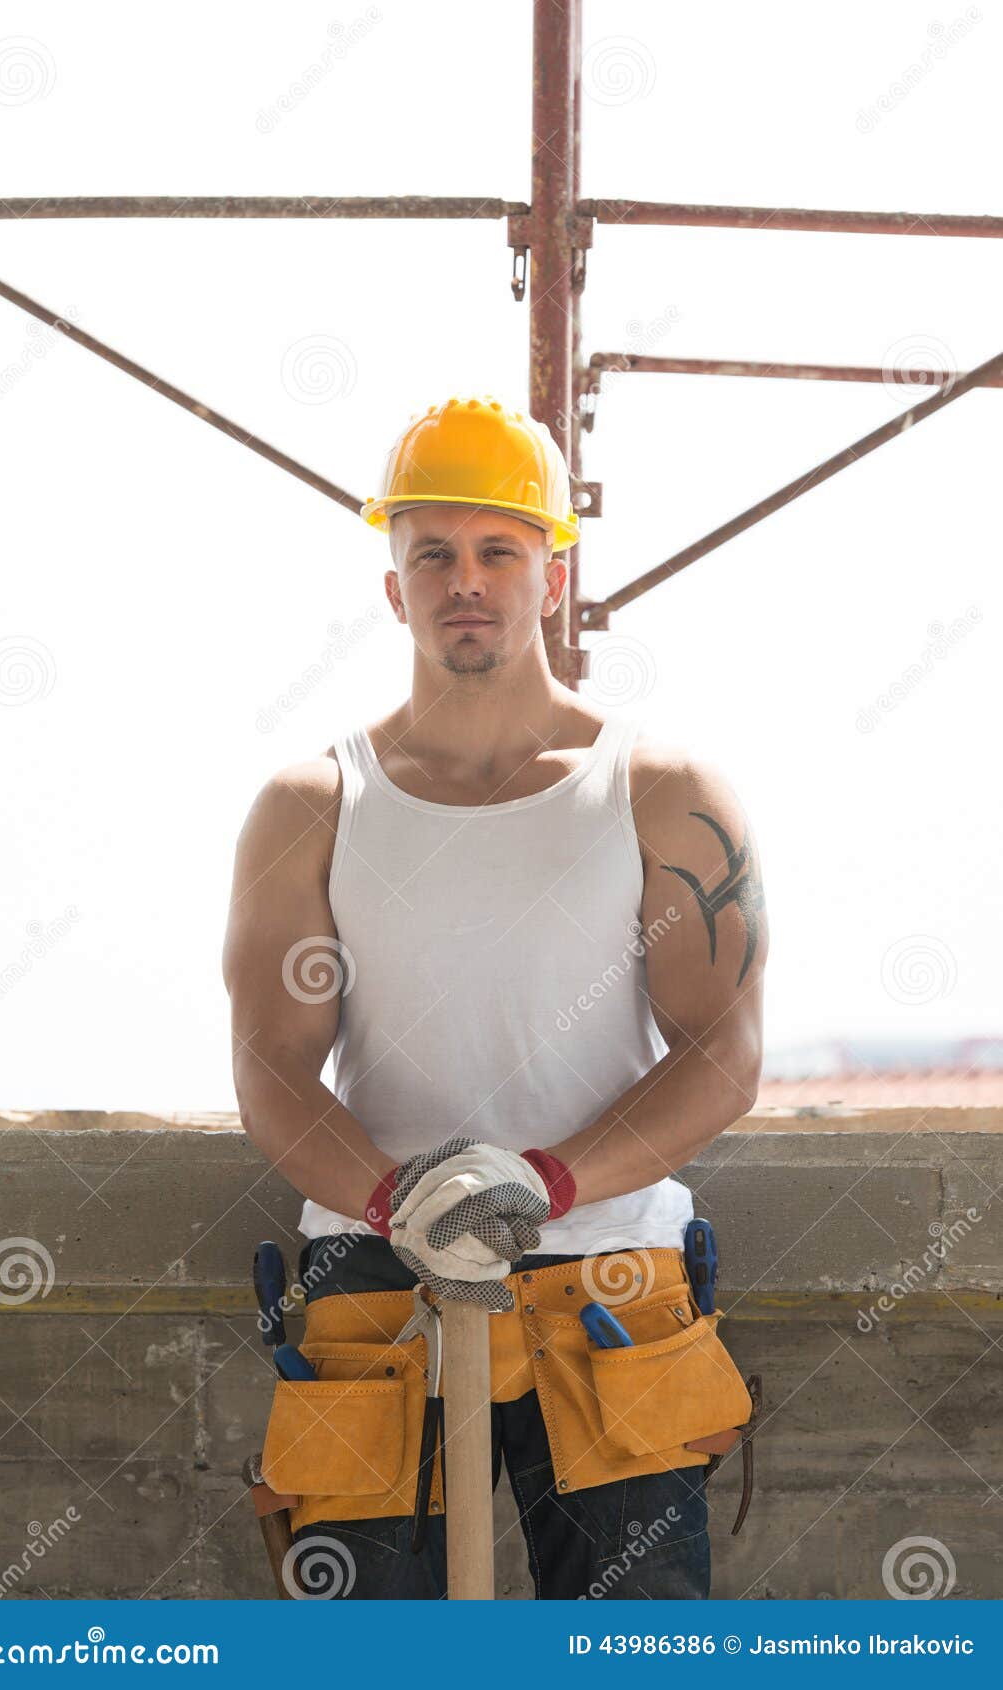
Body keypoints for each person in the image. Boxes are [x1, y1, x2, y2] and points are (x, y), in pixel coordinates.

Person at [222, 394, 768, 1599]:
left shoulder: (660, 788)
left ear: (552, 575)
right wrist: (396, 1199)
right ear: (393, 584)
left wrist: (548, 1181)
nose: (465, 580)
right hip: (374, 1293)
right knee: (369, 1663)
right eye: (433, 553)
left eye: (497, 550)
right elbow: (269, 1061)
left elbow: (722, 1050)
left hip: (608, 1291)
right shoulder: (313, 803)